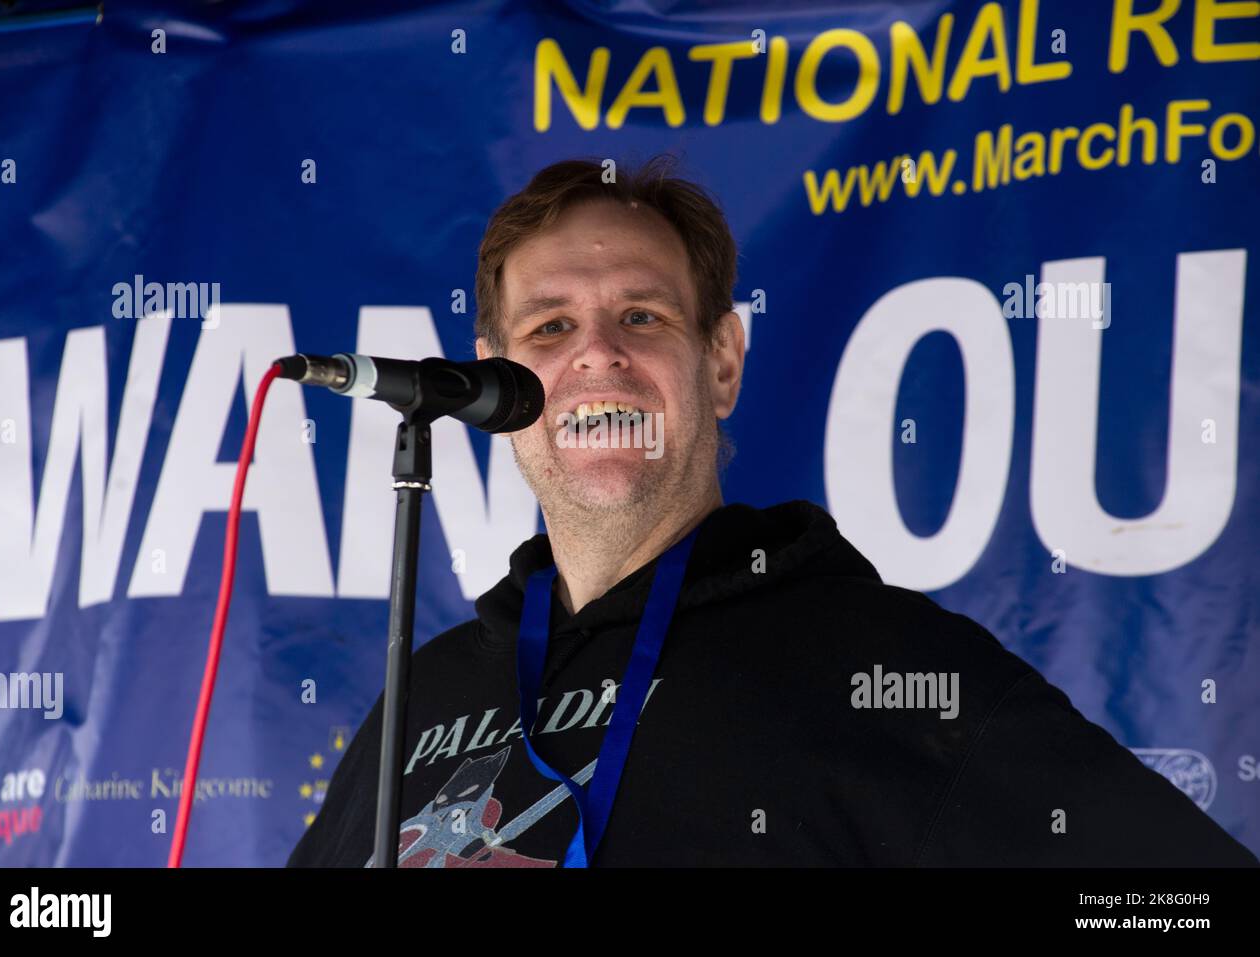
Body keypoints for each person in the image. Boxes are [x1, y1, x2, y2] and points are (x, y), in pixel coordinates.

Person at [287, 155, 1258, 868]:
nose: (595, 356)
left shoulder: (874, 660)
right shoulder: (428, 690)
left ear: (721, 362)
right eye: (549, 327)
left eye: (642, 316)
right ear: (496, 379)